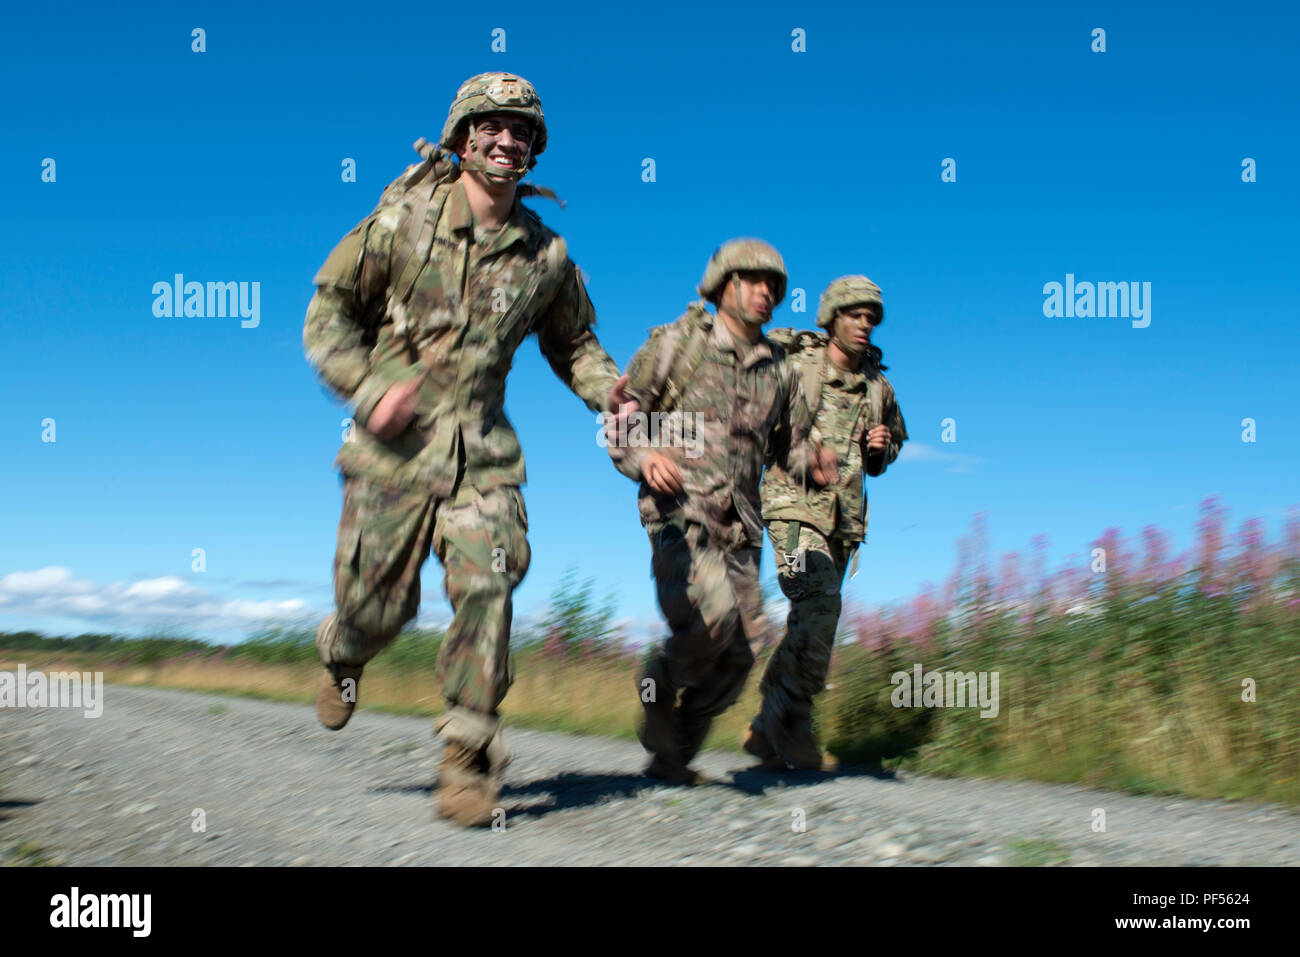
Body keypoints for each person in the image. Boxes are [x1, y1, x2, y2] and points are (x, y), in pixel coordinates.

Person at [303, 72, 634, 826]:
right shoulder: (399, 223)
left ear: (533, 151)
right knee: (377, 609)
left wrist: (610, 392)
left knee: (490, 580)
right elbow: (327, 315)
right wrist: (366, 388)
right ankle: (343, 650)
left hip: (481, 453)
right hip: (392, 448)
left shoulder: (545, 257)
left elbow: (575, 343)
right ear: (461, 138)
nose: (507, 139)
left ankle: (468, 753)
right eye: (492, 126)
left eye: (522, 131)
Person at [607, 239, 837, 784]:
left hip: (741, 527)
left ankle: (673, 754)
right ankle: (658, 682)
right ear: (723, 284)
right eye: (755, 281)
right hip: (679, 513)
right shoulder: (676, 344)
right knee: (712, 619)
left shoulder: (779, 371)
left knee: (738, 658)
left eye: (775, 286)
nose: (768, 293)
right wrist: (644, 456)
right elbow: (619, 420)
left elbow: (789, 444)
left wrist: (815, 463)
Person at [744, 275, 908, 770]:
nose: (864, 325)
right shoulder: (796, 368)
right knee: (817, 598)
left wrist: (882, 449)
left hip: (842, 524)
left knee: (812, 616)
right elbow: (754, 421)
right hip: (790, 509)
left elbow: (892, 445)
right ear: (832, 317)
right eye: (854, 315)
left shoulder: (878, 387)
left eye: (871, 318)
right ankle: (790, 720)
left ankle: (767, 728)